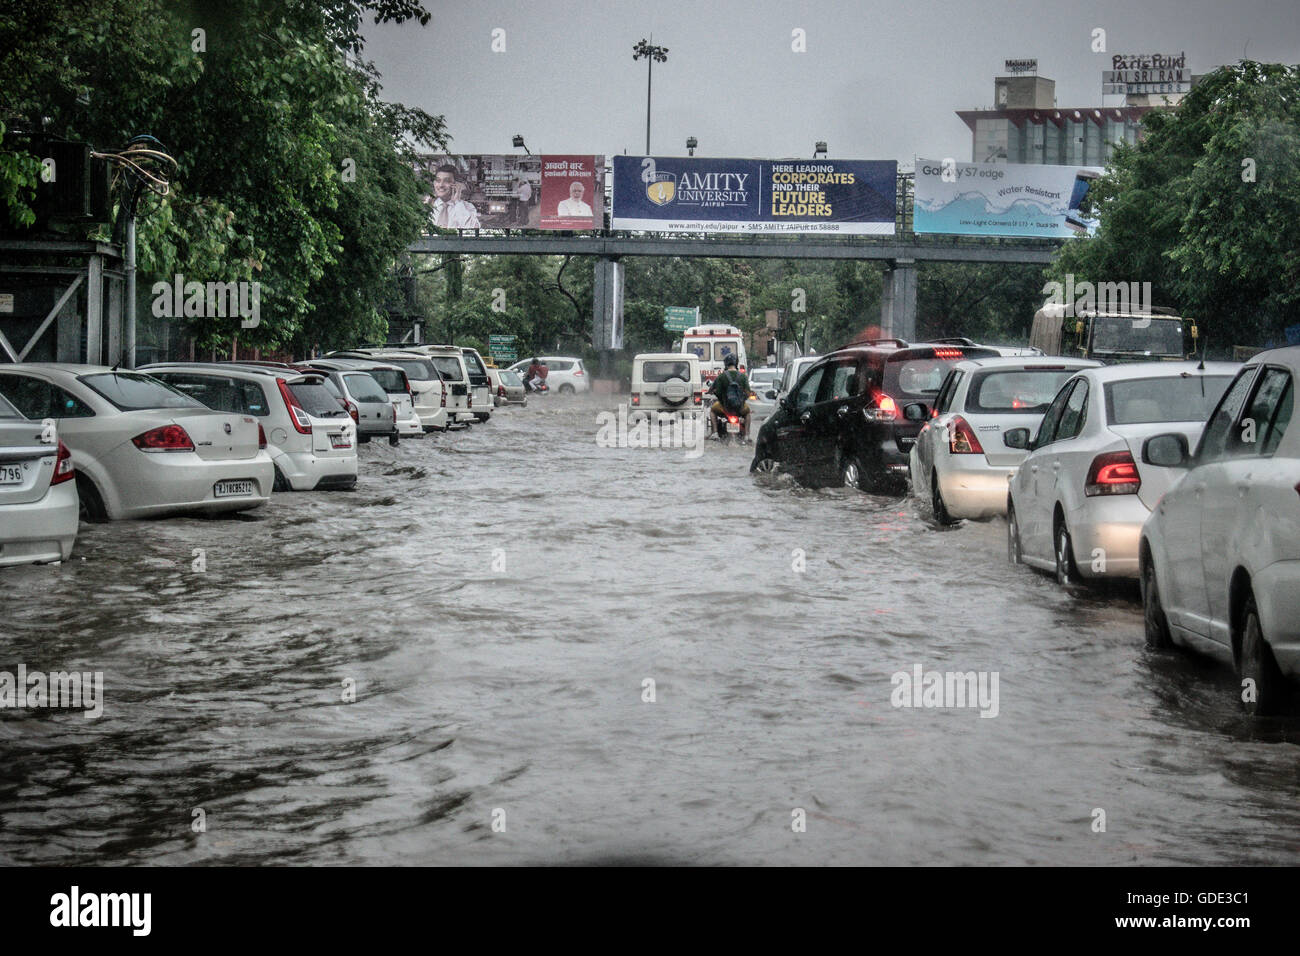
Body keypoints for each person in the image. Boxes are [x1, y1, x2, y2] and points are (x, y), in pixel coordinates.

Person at [709, 353, 751, 440]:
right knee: (747, 413)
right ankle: (747, 435)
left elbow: (718, 392)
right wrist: (742, 401)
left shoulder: (721, 377)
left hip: (724, 408)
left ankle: (715, 433)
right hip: (740, 408)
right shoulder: (743, 377)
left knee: (712, 411)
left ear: (726, 364)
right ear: (736, 363)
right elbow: (747, 393)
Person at [430, 164, 481, 228]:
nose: (441, 185)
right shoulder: (428, 206)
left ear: (457, 185)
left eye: (447, 181)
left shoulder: (467, 207)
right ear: (434, 183)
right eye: (438, 180)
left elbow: (473, 229)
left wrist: (457, 202)